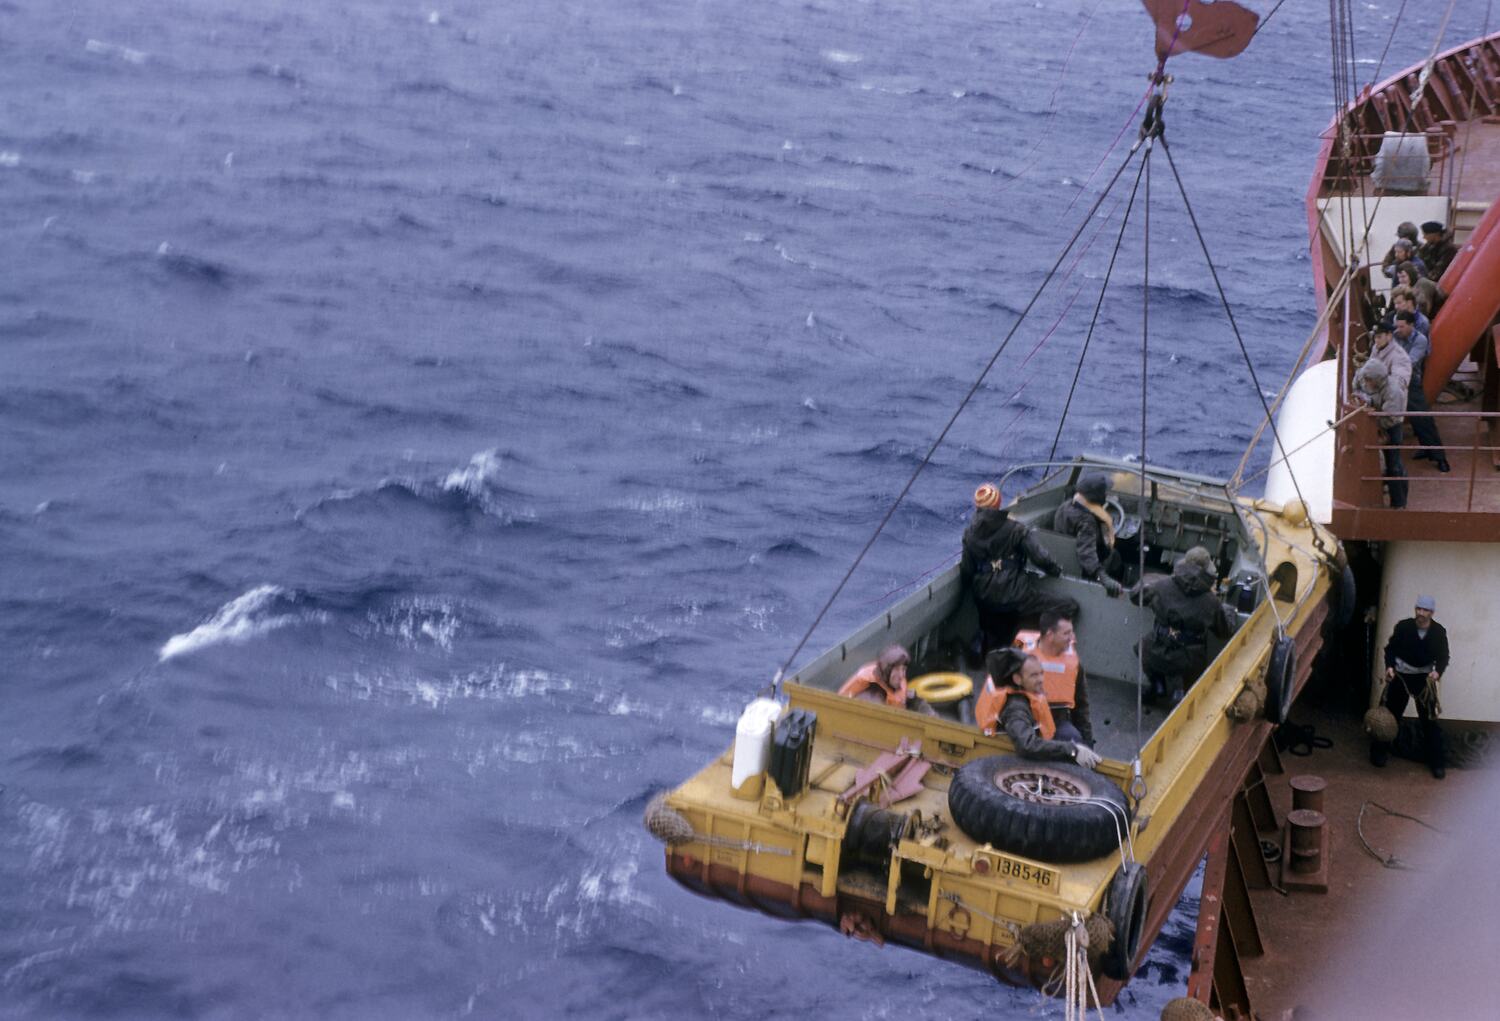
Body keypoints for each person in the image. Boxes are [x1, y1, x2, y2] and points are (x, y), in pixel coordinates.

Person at [961, 482, 1079, 650]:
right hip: (1017, 598)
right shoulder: (1016, 529)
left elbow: (967, 570)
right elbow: (1040, 558)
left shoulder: (969, 533)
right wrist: (1055, 571)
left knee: (994, 637)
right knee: (1069, 606)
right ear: (998, 504)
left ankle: (996, 654)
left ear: (976, 505)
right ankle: (1040, 647)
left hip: (985, 600)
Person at [1129, 546, 1237, 705]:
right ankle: (1180, 693)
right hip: (1189, 660)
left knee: (1141, 647)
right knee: (1189, 665)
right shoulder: (1211, 602)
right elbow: (1224, 632)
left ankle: (1158, 685)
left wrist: (1154, 579)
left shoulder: (1161, 586)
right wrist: (1228, 610)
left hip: (1156, 649)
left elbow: (1135, 596)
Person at [975, 647, 1102, 769]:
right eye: (1034, 676)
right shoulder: (1016, 709)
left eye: (1041, 673)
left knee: (1069, 734)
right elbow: (1026, 745)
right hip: (1012, 758)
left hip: (1032, 736)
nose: (1041, 679)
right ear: (1017, 679)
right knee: (1069, 739)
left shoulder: (1026, 693)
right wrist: (1072, 750)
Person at [1373, 595, 1449, 778]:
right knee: (1390, 717)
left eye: (1425, 610)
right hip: (1401, 676)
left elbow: (1444, 656)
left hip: (1424, 679)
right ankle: (1379, 752)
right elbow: (1390, 649)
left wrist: (1437, 672)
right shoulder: (1404, 626)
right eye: (1418, 609)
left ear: (1432, 613)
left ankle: (1437, 762)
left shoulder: (1438, 632)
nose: (1421, 613)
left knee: (1429, 721)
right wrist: (1390, 667)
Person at [1012, 610, 1094, 746]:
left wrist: (1087, 743)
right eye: (1066, 633)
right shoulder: (1019, 655)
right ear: (1050, 635)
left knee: (1074, 740)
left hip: (1056, 720)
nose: (1072, 638)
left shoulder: (1073, 665)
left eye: (1071, 632)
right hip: (1024, 714)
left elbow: (1081, 706)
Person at [1392, 310, 1448, 472]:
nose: (1398, 330)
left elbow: (1409, 362)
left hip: (1411, 384)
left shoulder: (1420, 340)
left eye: (1402, 327)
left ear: (1411, 325)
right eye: (1397, 326)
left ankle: (1440, 458)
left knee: (1423, 419)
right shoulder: (1395, 335)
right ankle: (1425, 448)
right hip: (1393, 382)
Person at [1051, 472, 1124, 594]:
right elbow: (1086, 555)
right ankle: (1119, 590)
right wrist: (1104, 578)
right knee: (1114, 556)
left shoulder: (1065, 506)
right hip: (1085, 569)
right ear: (1097, 496)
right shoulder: (1086, 522)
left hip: (1062, 560)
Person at [1354, 357, 1409, 508]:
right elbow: (1356, 383)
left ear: (1377, 380)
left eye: (1369, 380)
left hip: (1391, 426)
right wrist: (1361, 397)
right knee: (1387, 464)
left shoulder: (1393, 391)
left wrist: (1372, 421)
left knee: (1394, 465)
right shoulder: (1364, 376)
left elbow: (1390, 418)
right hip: (1375, 420)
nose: (1366, 382)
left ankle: (1399, 503)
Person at [839, 644, 914, 707]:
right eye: (897, 669)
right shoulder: (871, 697)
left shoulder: (894, 682)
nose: (901, 675)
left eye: (903, 669)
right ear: (886, 671)